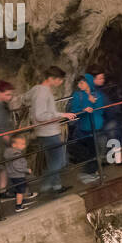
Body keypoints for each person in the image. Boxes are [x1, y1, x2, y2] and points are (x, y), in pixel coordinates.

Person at [24, 66, 77, 194]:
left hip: (47, 131)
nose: (61, 82)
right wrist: (62, 115)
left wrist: (58, 114)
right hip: (48, 132)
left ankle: (57, 186)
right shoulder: (42, 92)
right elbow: (40, 115)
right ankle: (46, 185)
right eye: (59, 80)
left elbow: (26, 99)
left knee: (53, 159)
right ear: (52, 79)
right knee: (60, 161)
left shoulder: (39, 90)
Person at [67, 74, 105, 183]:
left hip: (97, 125)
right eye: (78, 83)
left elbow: (100, 110)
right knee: (92, 150)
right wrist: (85, 108)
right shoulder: (77, 95)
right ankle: (90, 172)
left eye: (82, 83)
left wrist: (94, 103)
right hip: (85, 127)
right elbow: (75, 111)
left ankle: (94, 171)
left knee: (98, 149)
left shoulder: (97, 94)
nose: (80, 86)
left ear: (88, 82)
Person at [89, 69, 122, 164]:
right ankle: (117, 159)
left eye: (103, 78)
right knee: (114, 129)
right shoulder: (96, 92)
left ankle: (106, 159)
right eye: (100, 78)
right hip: (101, 121)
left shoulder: (93, 89)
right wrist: (118, 108)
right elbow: (108, 107)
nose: (103, 80)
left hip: (98, 121)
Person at [2, 133, 33, 212]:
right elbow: (17, 166)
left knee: (20, 189)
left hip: (13, 175)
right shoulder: (16, 154)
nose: (24, 146)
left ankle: (21, 202)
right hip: (18, 175)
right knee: (20, 190)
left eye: (24, 143)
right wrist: (26, 170)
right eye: (22, 144)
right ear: (14, 145)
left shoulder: (9, 152)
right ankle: (18, 206)